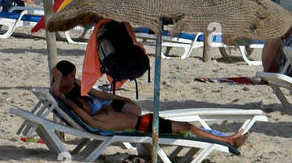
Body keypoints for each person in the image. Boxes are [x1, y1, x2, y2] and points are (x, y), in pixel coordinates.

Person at [49, 61, 247, 148]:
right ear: (62, 77)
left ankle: (225, 138)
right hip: (141, 126)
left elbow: (64, 95)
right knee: (186, 127)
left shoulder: (90, 114)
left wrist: (114, 101)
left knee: (184, 128)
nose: (75, 79)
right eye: (71, 76)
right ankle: (227, 140)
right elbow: (56, 93)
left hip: (140, 122)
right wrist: (58, 79)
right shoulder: (91, 118)